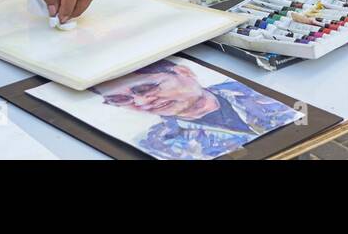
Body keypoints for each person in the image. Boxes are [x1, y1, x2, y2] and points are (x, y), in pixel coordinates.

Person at [92, 59, 298, 159]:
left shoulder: (255, 91)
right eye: (120, 99)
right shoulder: (159, 144)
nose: (143, 102)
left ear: (183, 71)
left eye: (146, 87)